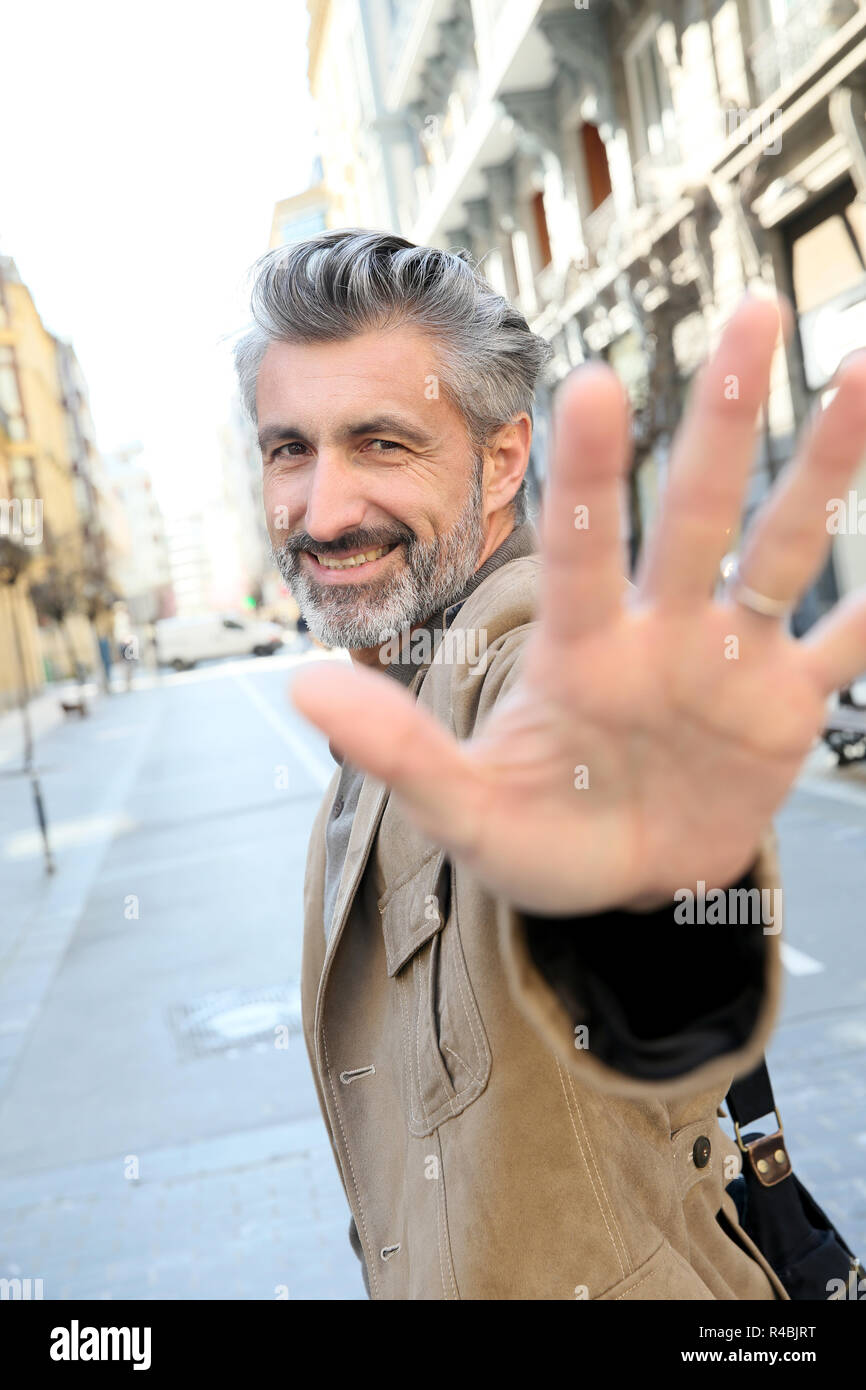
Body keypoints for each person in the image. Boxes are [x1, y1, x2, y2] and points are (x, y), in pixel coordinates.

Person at [235, 230, 866, 1300]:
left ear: (503, 459)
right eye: (290, 448)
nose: (324, 510)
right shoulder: (390, 682)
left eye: (382, 445)